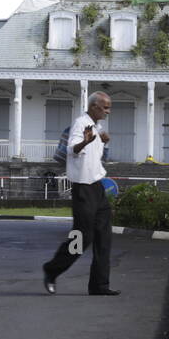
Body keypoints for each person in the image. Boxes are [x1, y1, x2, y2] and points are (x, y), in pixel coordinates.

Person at [43, 92, 119, 295]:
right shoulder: (81, 124)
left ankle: (99, 285)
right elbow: (72, 149)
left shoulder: (97, 127)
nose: (108, 111)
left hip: (98, 187)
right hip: (83, 189)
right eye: (105, 107)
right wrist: (85, 142)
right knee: (82, 237)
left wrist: (104, 142)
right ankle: (52, 270)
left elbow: (96, 158)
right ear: (94, 106)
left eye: (109, 107)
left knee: (104, 238)